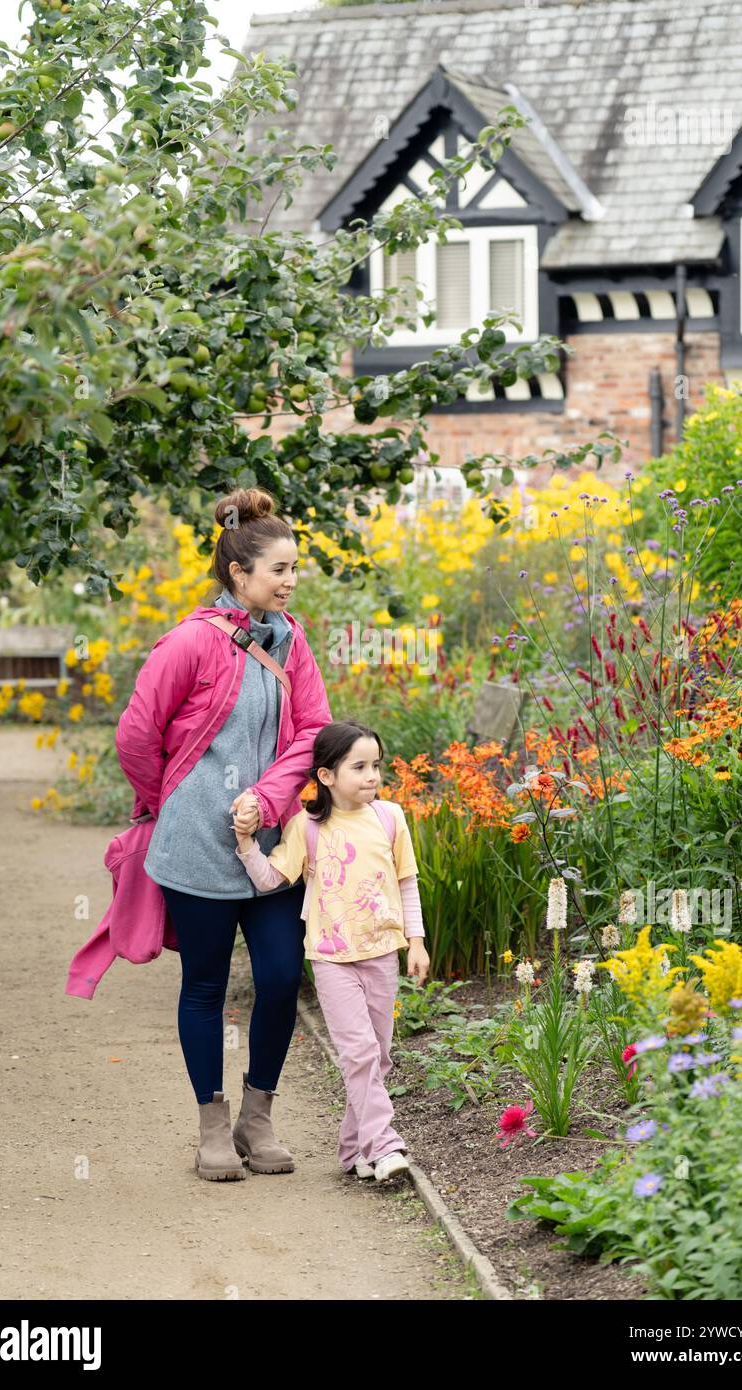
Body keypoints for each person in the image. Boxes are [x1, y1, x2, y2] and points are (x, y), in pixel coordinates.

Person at [114, 486, 331, 1182]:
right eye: (280, 570)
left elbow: (312, 732)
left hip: (269, 846)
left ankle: (256, 1117)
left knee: (279, 975)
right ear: (240, 574)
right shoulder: (188, 643)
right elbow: (137, 735)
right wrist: (168, 803)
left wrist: (268, 801)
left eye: (295, 568)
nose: (292, 581)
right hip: (197, 847)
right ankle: (211, 1126)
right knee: (204, 985)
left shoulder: (291, 640)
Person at [232, 720, 431, 1184]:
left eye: (376, 765)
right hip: (331, 959)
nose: (372, 776)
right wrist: (246, 845)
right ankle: (383, 1146)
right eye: (359, 766)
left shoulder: (390, 818)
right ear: (326, 776)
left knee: (378, 1056)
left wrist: (416, 943)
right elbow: (270, 880)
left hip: (383, 953)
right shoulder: (308, 827)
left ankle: (353, 1150)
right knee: (358, 1053)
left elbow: (407, 882)